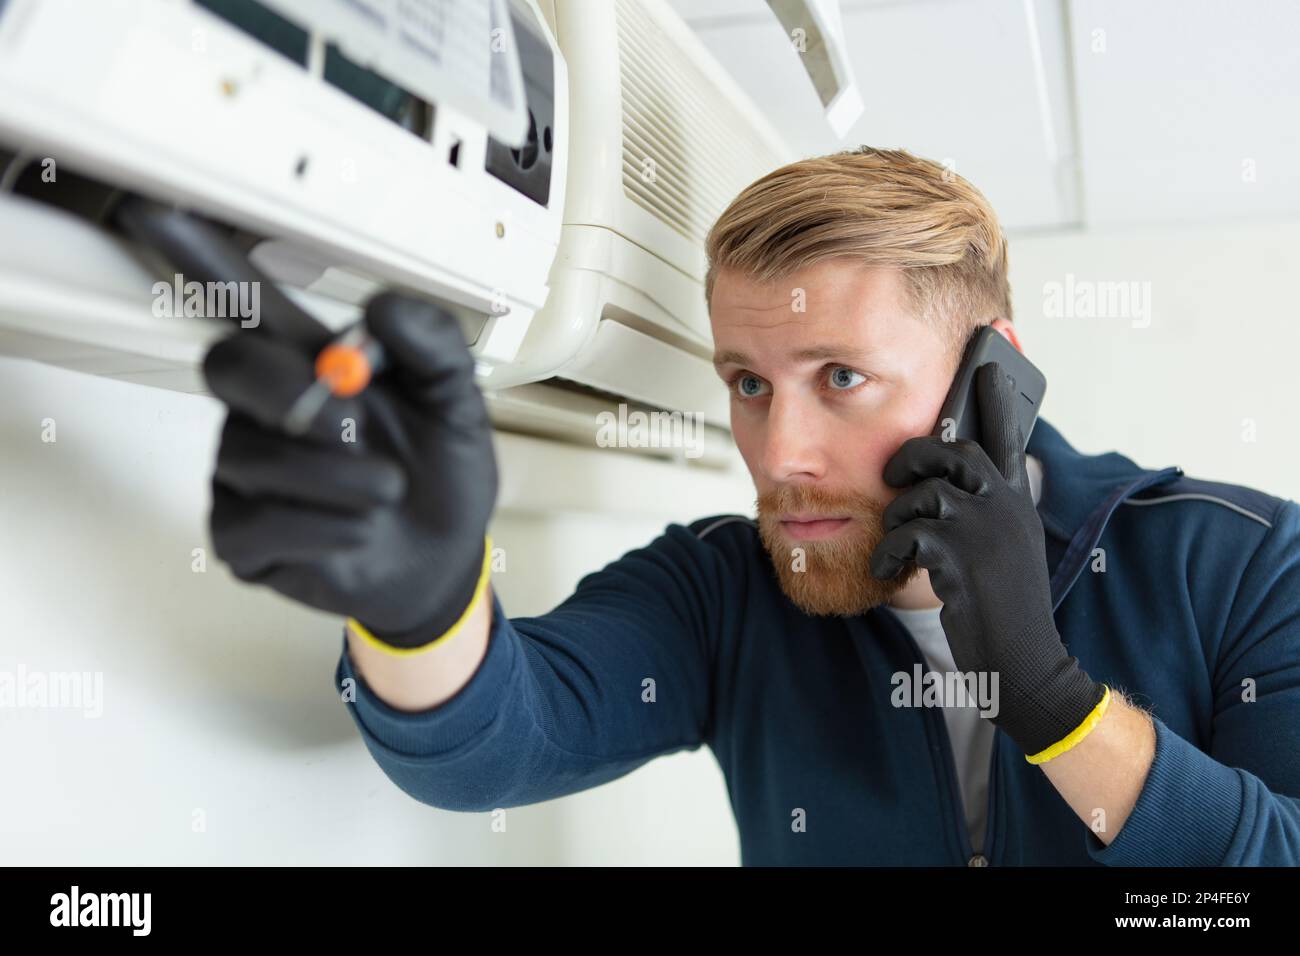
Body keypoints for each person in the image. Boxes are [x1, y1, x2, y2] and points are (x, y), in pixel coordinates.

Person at [202, 146, 1300, 865]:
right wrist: (423, 602)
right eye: (748, 384)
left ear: (991, 377)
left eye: (840, 377)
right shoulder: (723, 589)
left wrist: (1049, 695)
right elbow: (495, 740)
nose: (781, 453)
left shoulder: (1245, 561)